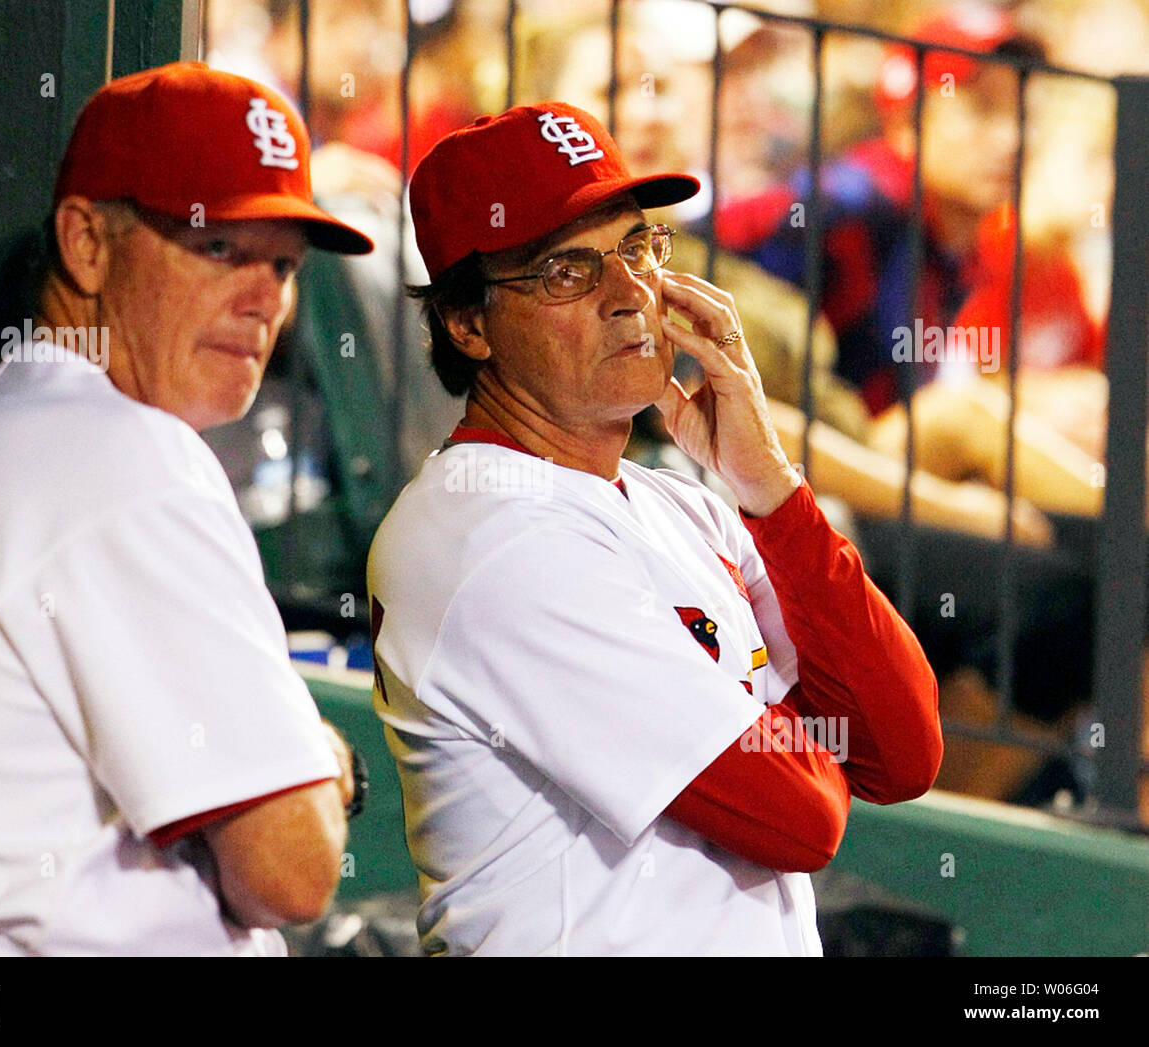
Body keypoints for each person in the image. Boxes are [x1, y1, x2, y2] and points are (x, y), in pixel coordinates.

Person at [368, 101, 941, 955]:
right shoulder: (487, 536)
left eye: (637, 247)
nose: (628, 293)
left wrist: (770, 487)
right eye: (568, 270)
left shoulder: (686, 502)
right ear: (469, 323)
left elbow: (900, 749)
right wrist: (798, 720)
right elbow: (802, 817)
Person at [0, 62, 373, 956]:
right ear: (87, 243)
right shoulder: (117, 453)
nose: (264, 301)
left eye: (283, 265)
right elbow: (292, 869)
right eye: (218, 247)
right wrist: (319, 756)